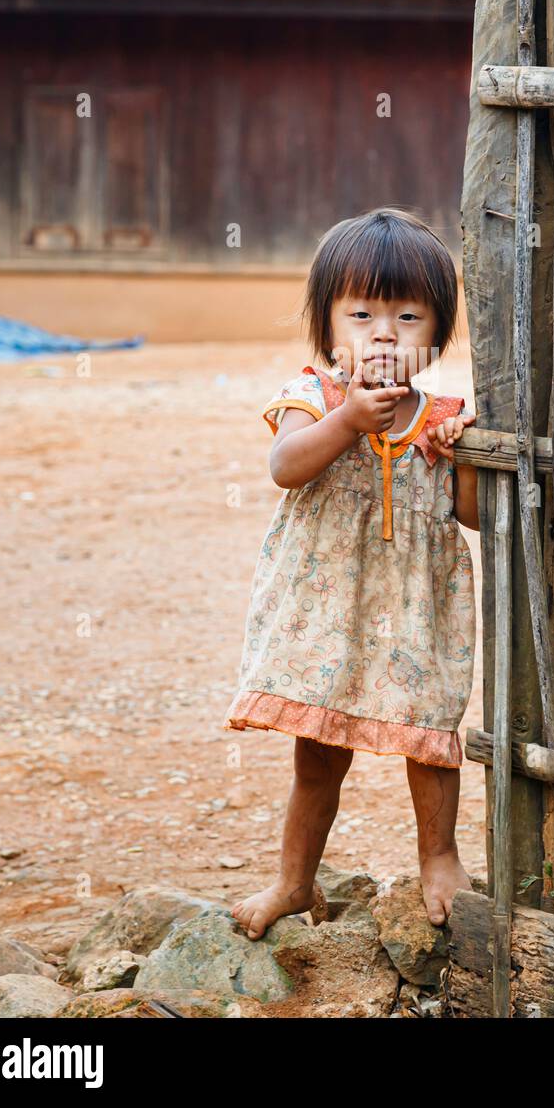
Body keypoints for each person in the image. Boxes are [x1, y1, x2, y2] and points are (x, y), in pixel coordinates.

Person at [222, 206, 479, 938]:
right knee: (317, 755)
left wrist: (465, 452)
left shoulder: (444, 415)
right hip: (327, 609)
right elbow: (284, 468)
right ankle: (294, 881)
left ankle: (440, 858)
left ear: (437, 331)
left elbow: (474, 516)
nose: (385, 334)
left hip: (417, 608)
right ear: (328, 326)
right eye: (361, 313)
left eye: (408, 315)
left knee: (428, 733)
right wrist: (348, 423)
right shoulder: (314, 396)